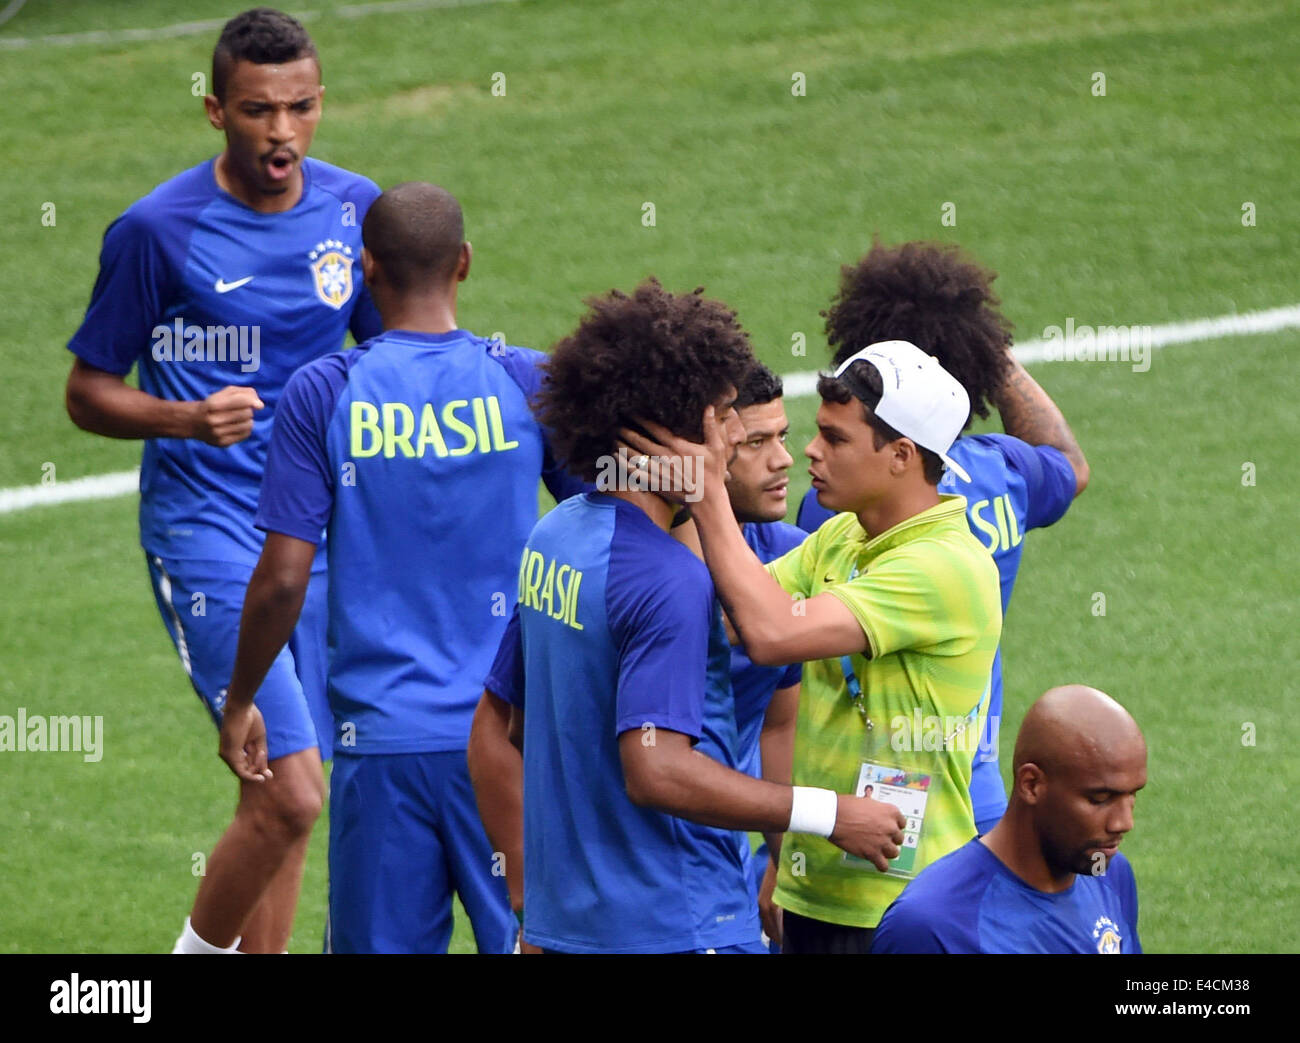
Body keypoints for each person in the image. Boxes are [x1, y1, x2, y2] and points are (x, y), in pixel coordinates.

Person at [63, 8, 381, 954]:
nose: (282, 132)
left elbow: (387, 348)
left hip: (311, 540)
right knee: (290, 786)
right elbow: (86, 392)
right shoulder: (158, 232)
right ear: (214, 112)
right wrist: (184, 417)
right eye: (257, 111)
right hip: (207, 532)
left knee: (284, 793)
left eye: (301, 108)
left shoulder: (353, 209)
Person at [467, 280, 906, 954]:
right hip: (681, 926)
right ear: (678, 431)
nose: (736, 435)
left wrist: (532, 894)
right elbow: (657, 769)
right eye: (726, 415)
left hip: (572, 932)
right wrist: (830, 813)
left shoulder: (554, 536)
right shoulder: (670, 579)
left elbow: (496, 725)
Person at [218, 182, 584, 953]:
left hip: (381, 744)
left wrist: (240, 698)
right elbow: (620, 529)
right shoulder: (528, 383)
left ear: (364, 269)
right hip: (512, 742)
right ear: (465, 264)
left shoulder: (327, 391)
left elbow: (285, 577)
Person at [623, 338, 1003, 954]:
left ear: (902, 455)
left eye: (836, 438)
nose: (810, 451)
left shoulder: (946, 568)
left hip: (905, 906)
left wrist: (707, 491)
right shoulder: (843, 538)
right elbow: (728, 616)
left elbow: (772, 636)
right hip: (817, 889)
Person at [795, 241, 1089, 834]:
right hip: (971, 796)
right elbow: (1069, 463)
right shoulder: (1005, 473)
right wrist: (985, 347)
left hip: (854, 806)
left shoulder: (834, 506)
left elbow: (773, 635)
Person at [871, 685, 1145, 954]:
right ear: (1031, 784)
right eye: (1100, 798)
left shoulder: (1108, 873)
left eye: (1132, 796)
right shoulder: (930, 926)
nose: (1123, 822)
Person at [716, 364, 805, 947]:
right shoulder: (631, 570)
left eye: (783, 436)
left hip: (723, 844)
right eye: (756, 443)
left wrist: (784, 862)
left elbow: (779, 723)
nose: (783, 460)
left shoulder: (792, 558)